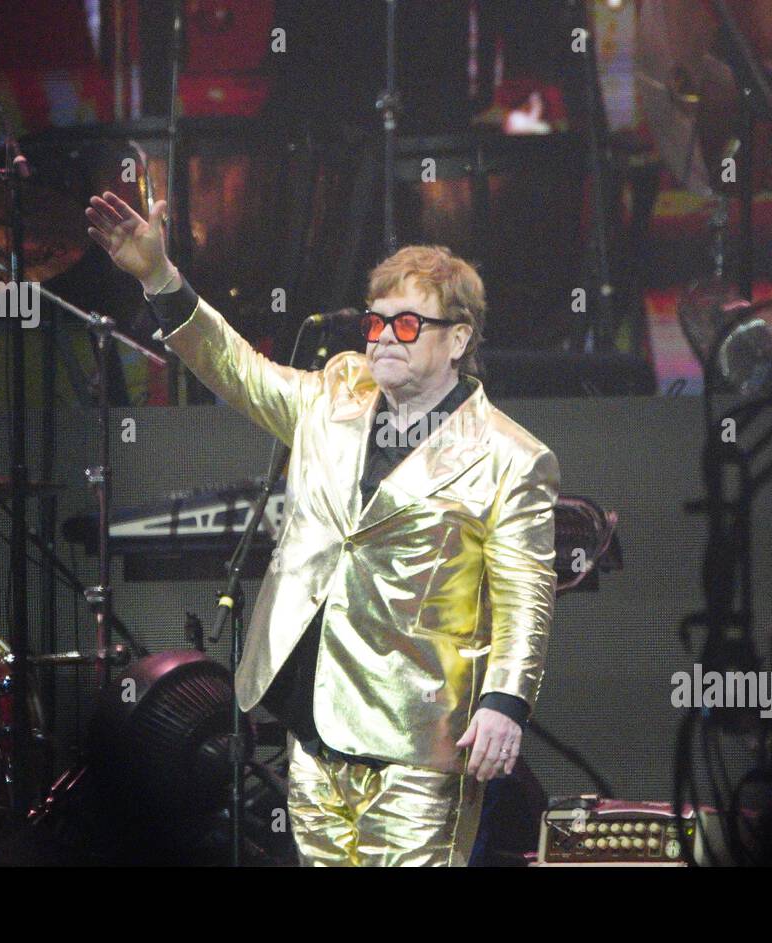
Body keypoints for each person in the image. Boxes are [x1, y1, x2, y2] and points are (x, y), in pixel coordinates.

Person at [85, 192, 559, 866]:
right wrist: (161, 279)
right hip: (313, 722)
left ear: (458, 338)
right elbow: (235, 369)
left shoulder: (511, 456)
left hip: (417, 735)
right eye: (377, 321)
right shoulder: (336, 397)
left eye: (407, 325)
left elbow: (524, 595)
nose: (383, 338)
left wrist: (506, 702)